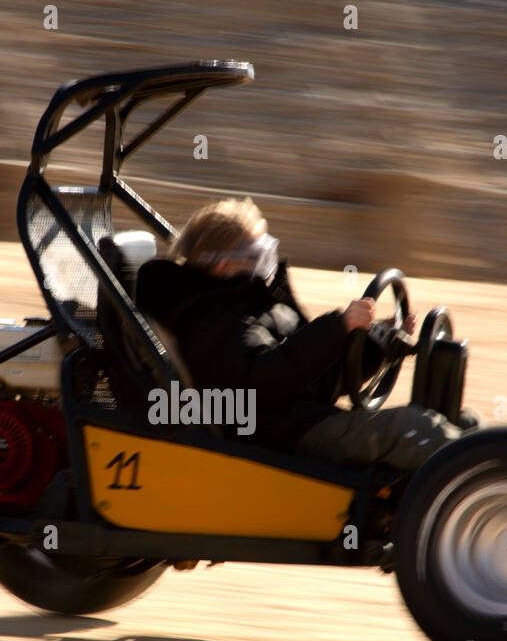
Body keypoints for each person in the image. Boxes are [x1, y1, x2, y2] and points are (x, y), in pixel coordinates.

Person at [134, 197, 471, 470]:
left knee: (458, 421)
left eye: (267, 251)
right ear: (224, 266)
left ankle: (486, 476)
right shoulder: (210, 319)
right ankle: (497, 477)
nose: (267, 263)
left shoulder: (251, 305)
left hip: (302, 419)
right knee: (412, 430)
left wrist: (374, 344)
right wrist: (336, 328)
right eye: (256, 256)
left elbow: (315, 376)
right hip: (278, 437)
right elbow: (260, 382)